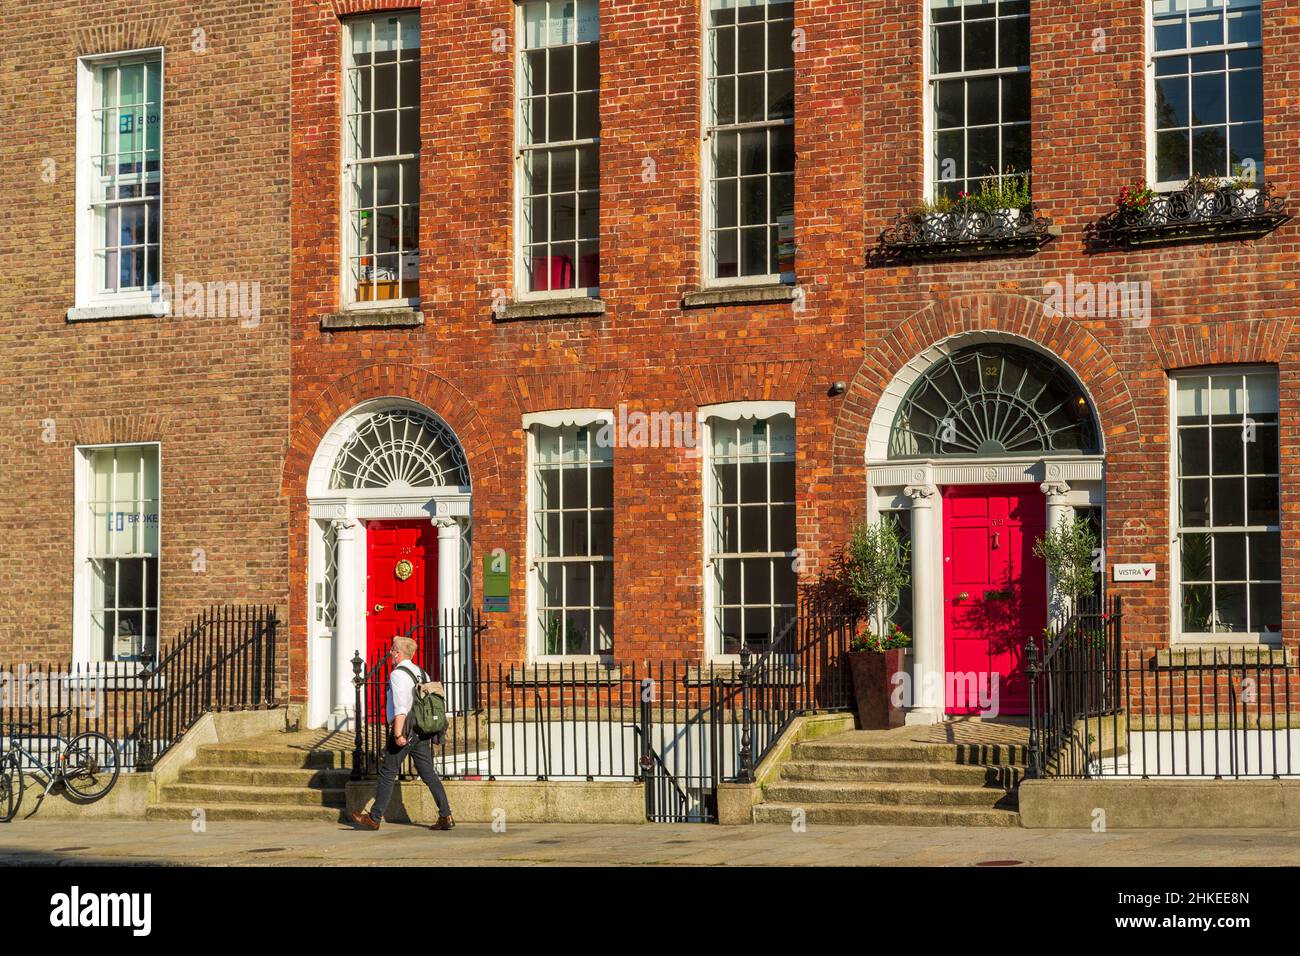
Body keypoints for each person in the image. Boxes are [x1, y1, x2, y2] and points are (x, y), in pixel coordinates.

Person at [349, 636, 454, 831]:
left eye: (392, 650)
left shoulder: (398, 674)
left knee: (388, 772)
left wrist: (398, 734)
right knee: (429, 774)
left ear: (397, 653)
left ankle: (374, 818)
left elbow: (401, 706)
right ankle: (445, 815)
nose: (390, 653)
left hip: (406, 729)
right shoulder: (422, 673)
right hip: (421, 730)